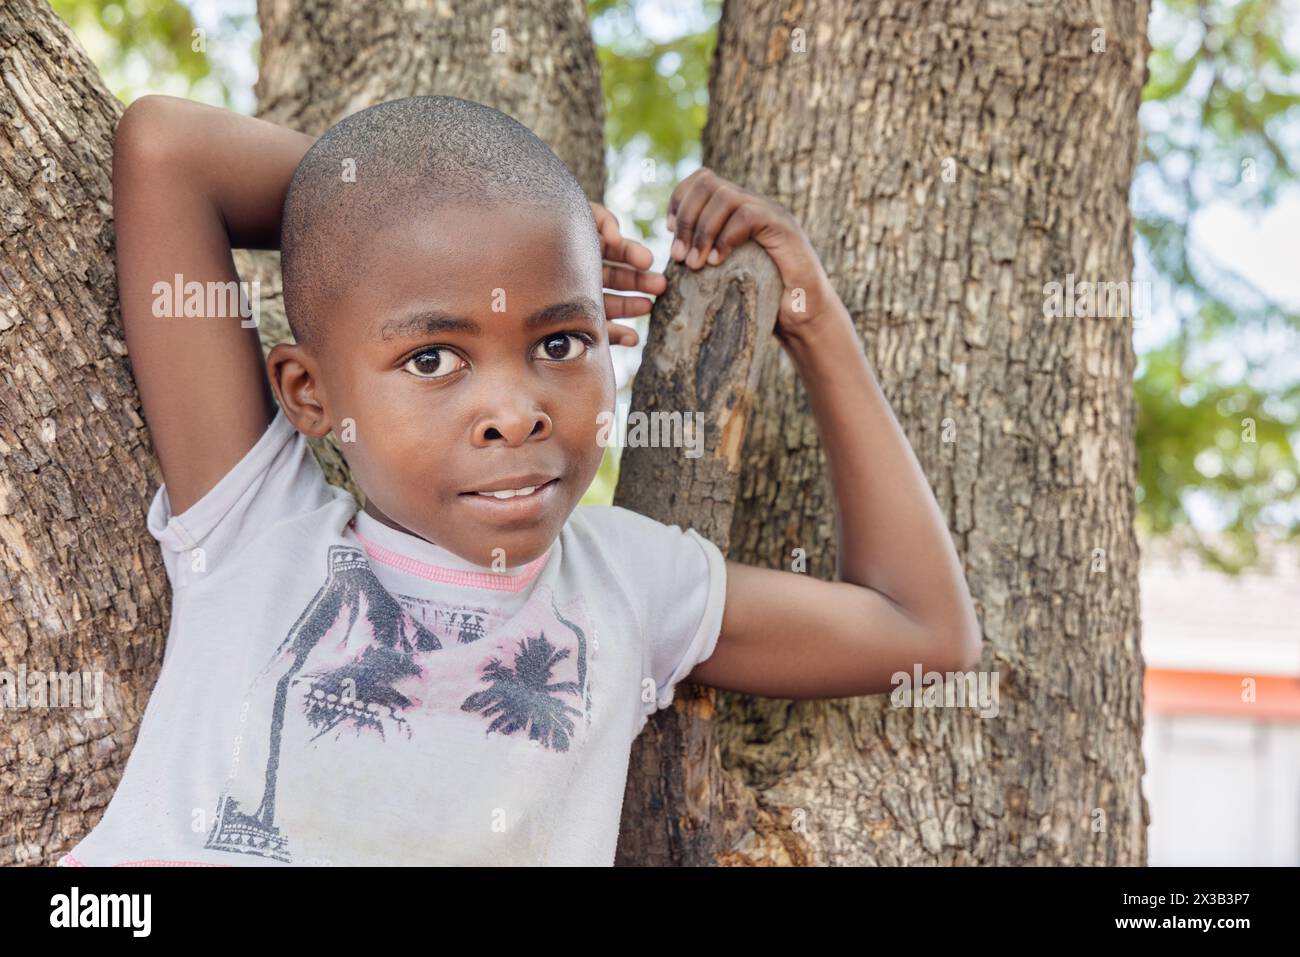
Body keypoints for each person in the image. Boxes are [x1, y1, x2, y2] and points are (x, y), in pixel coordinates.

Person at [58, 94, 980, 867]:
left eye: (560, 342)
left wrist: (811, 318)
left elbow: (922, 630)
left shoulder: (622, 587)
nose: (516, 410)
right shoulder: (260, 525)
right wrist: (488, 212)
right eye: (432, 358)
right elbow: (167, 149)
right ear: (309, 392)